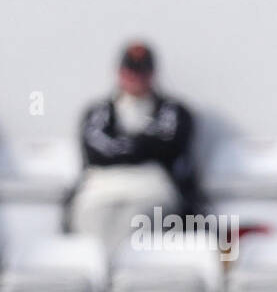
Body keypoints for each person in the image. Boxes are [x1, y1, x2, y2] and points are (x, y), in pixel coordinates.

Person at [71, 42, 198, 252]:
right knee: (93, 234)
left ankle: (124, 280)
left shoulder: (173, 111)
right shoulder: (98, 112)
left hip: (150, 190)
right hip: (100, 191)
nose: (135, 78)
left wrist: (122, 147)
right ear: (119, 72)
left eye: (141, 72)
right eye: (130, 71)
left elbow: (168, 146)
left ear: (152, 74)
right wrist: (140, 146)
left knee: (131, 232)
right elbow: (95, 152)